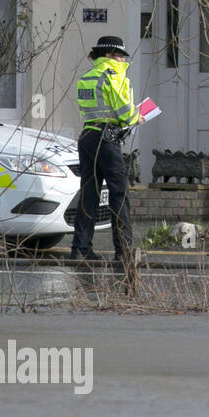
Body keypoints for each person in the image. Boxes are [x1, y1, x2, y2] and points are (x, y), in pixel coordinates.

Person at [71, 35, 143, 267]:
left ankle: (81, 249)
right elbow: (124, 112)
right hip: (107, 140)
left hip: (87, 138)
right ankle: (123, 251)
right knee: (119, 196)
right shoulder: (114, 76)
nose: (123, 59)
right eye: (120, 54)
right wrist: (137, 117)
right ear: (109, 54)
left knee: (89, 195)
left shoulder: (87, 77)